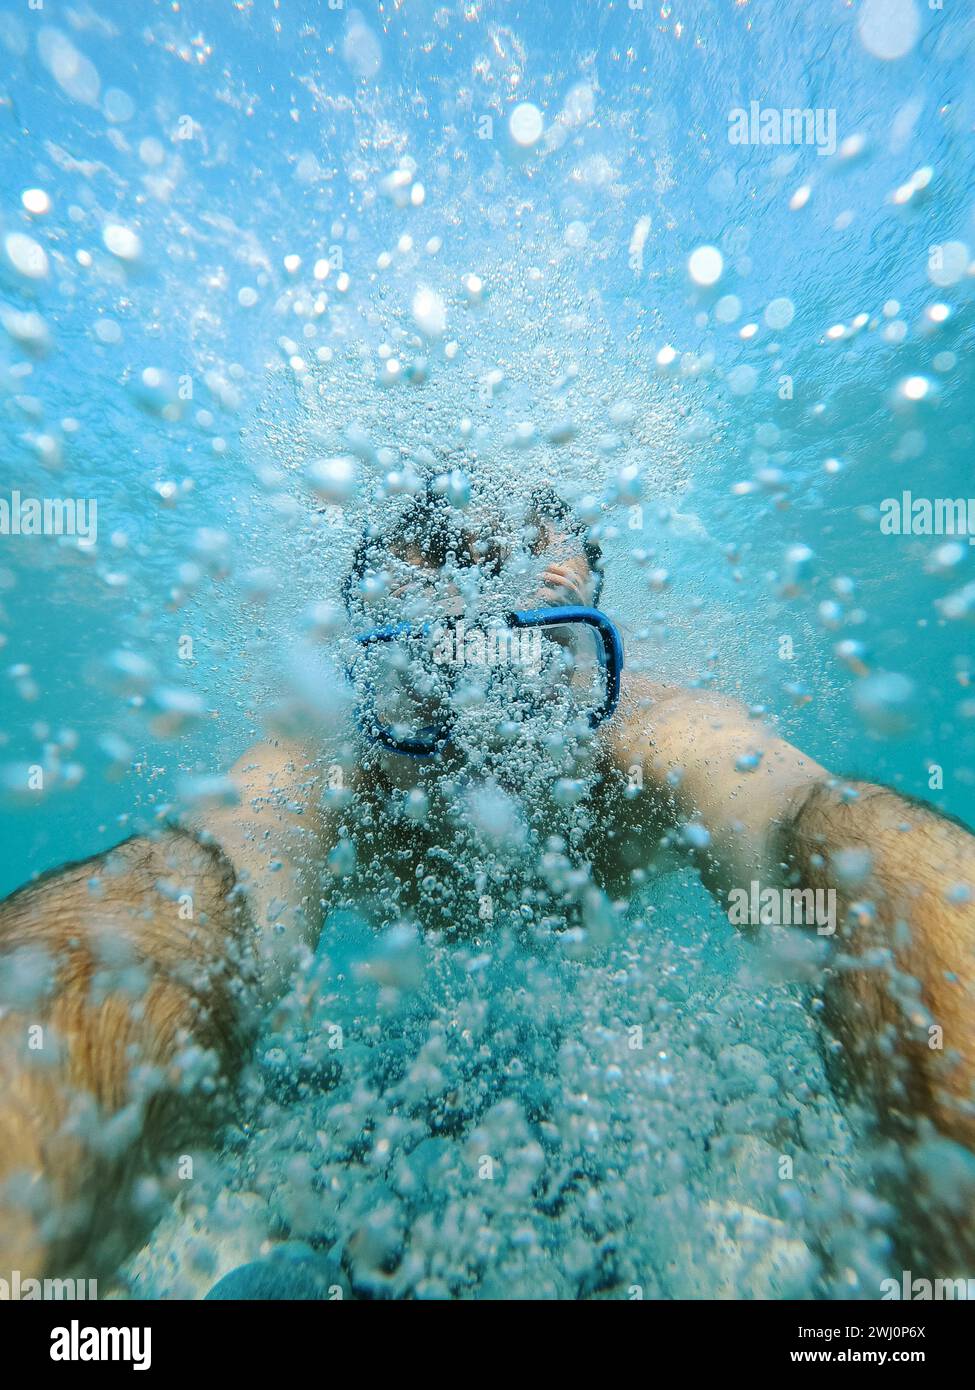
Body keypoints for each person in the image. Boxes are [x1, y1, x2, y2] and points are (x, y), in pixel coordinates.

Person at [1, 483, 973, 1284]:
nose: (486, 737)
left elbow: (832, 842)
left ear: (590, 636)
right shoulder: (327, 757)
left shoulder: (656, 732)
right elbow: (196, 898)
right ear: (372, 656)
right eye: (436, 664)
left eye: (535, 651)